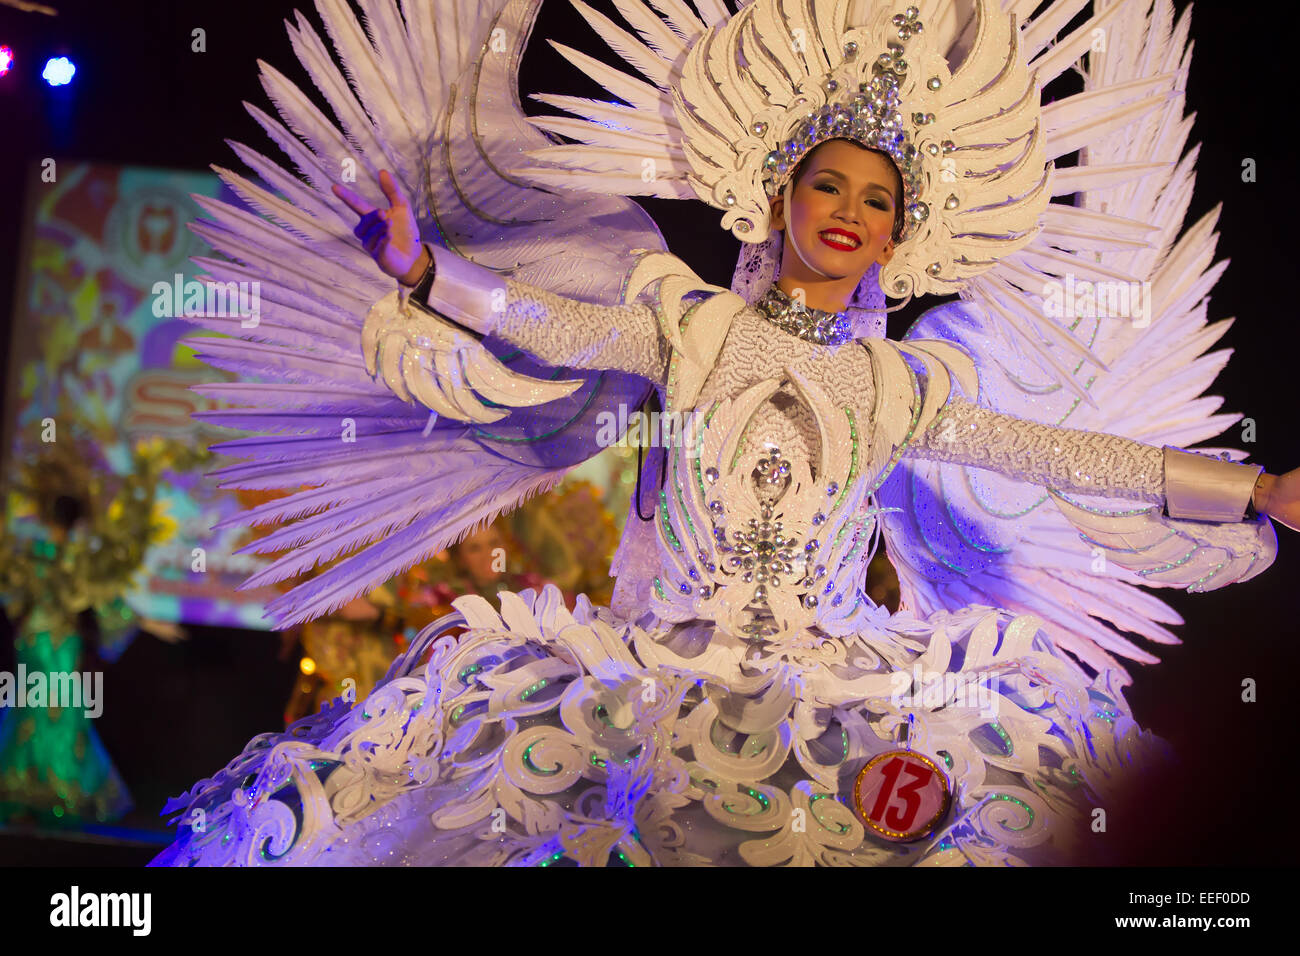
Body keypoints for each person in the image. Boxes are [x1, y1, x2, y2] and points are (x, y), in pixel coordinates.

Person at [153, 0, 1295, 866]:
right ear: (780, 197)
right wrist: (423, 270)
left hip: (844, 686)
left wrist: (1252, 492)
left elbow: (1067, 456)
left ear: (896, 234)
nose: (849, 213)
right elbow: (547, 323)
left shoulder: (899, 382)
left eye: (876, 201)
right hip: (657, 669)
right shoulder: (688, 324)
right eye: (829, 186)